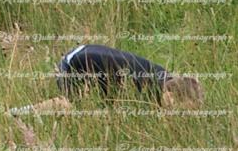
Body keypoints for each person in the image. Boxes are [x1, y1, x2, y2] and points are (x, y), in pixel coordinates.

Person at [18, 45, 204, 114]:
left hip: (87, 54)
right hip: (74, 64)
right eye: (178, 111)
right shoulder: (145, 85)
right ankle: (20, 113)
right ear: (170, 94)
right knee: (76, 107)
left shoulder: (165, 78)